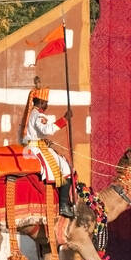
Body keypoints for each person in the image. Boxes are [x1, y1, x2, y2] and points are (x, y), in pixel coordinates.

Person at [20, 81, 74, 218]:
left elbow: (39, 133)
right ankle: (62, 206)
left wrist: (43, 139)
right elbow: (46, 129)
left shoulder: (34, 113)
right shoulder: (38, 115)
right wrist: (64, 119)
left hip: (38, 145)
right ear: (41, 102)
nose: (47, 104)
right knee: (66, 169)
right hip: (36, 149)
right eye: (46, 102)